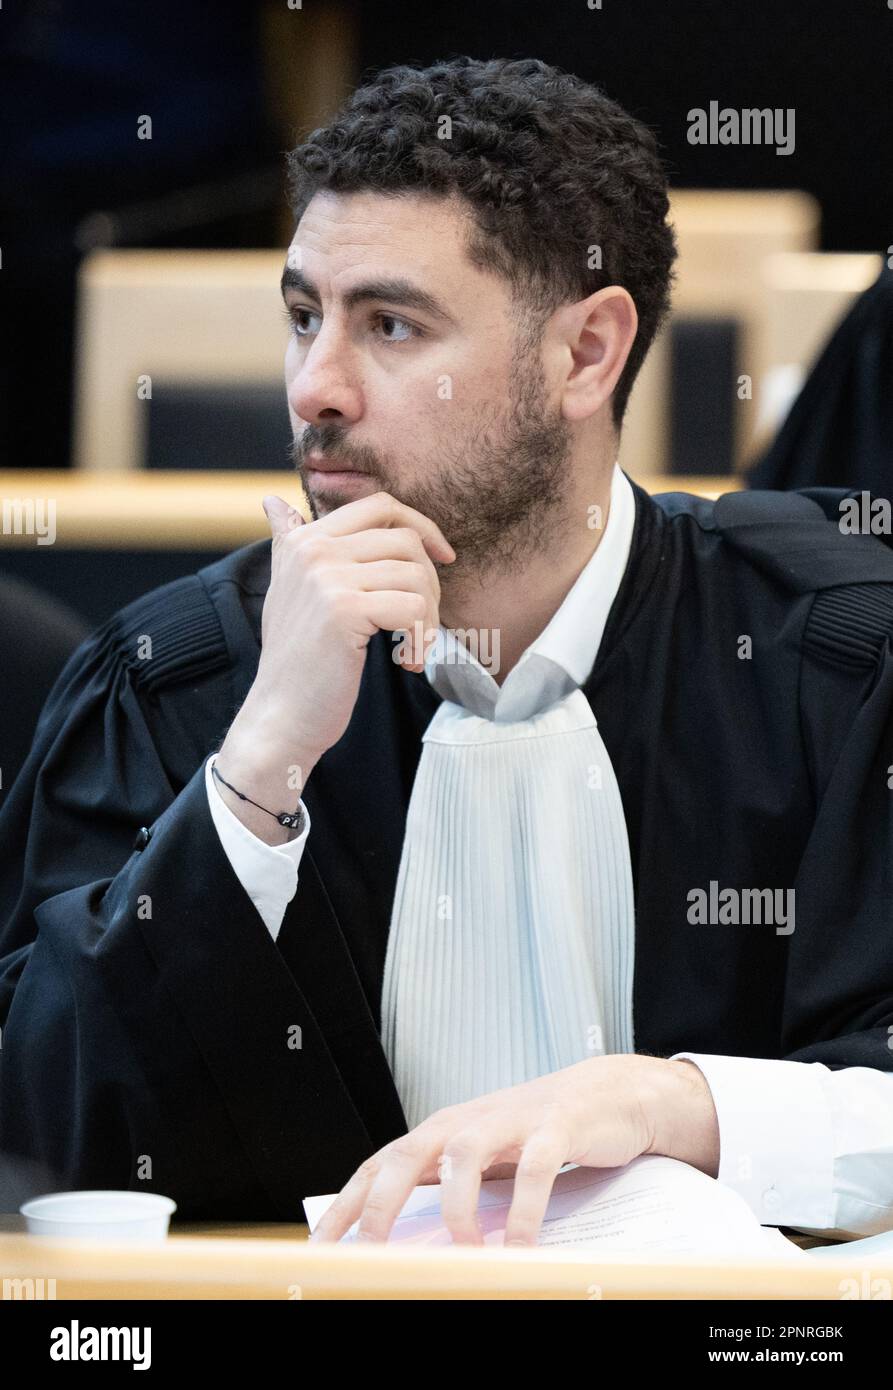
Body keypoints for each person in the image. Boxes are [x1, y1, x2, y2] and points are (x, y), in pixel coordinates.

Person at [1, 57, 892, 1246]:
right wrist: (255, 774)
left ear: (585, 354)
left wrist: (675, 1103)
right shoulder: (179, 683)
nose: (314, 387)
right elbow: (42, 1139)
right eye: (304, 316)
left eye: (389, 324)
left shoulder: (838, 658)